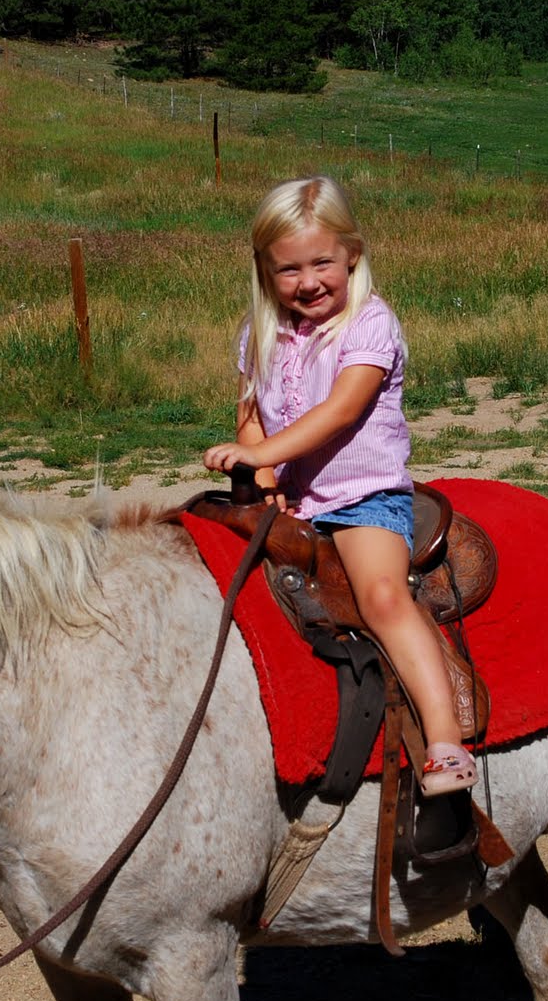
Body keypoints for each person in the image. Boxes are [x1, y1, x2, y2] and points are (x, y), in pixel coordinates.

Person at [203, 176, 476, 795]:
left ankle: (445, 741)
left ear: (351, 253)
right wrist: (262, 467)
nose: (307, 282)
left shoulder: (369, 324)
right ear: (265, 272)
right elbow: (251, 407)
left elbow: (340, 411)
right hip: (297, 499)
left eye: (321, 262)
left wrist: (262, 451)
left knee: (381, 597)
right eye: (288, 269)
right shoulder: (262, 330)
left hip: (363, 498)